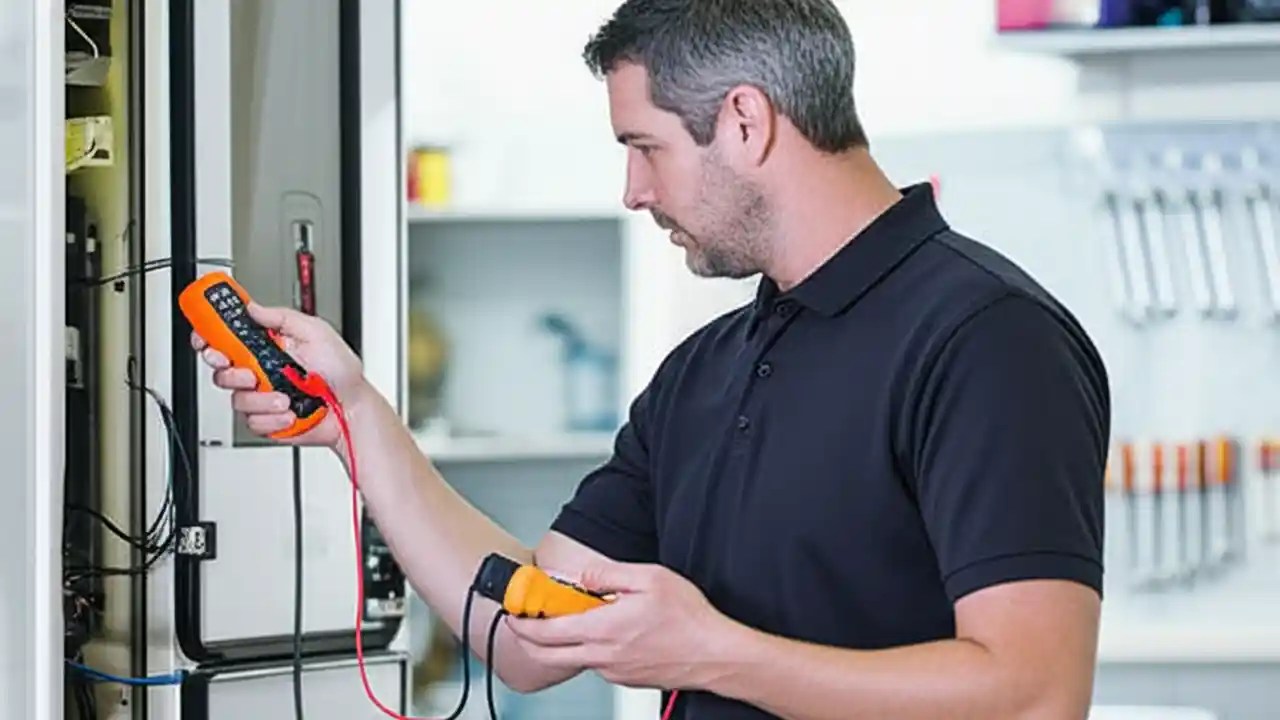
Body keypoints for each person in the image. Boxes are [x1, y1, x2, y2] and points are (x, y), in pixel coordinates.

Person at [193, 1, 1109, 717]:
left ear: (745, 122)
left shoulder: (989, 340)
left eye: (645, 148)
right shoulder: (705, 370)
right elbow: (524, 633)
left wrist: (714, 653)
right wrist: (358, 423)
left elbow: (1032, 696)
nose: (632, 191)